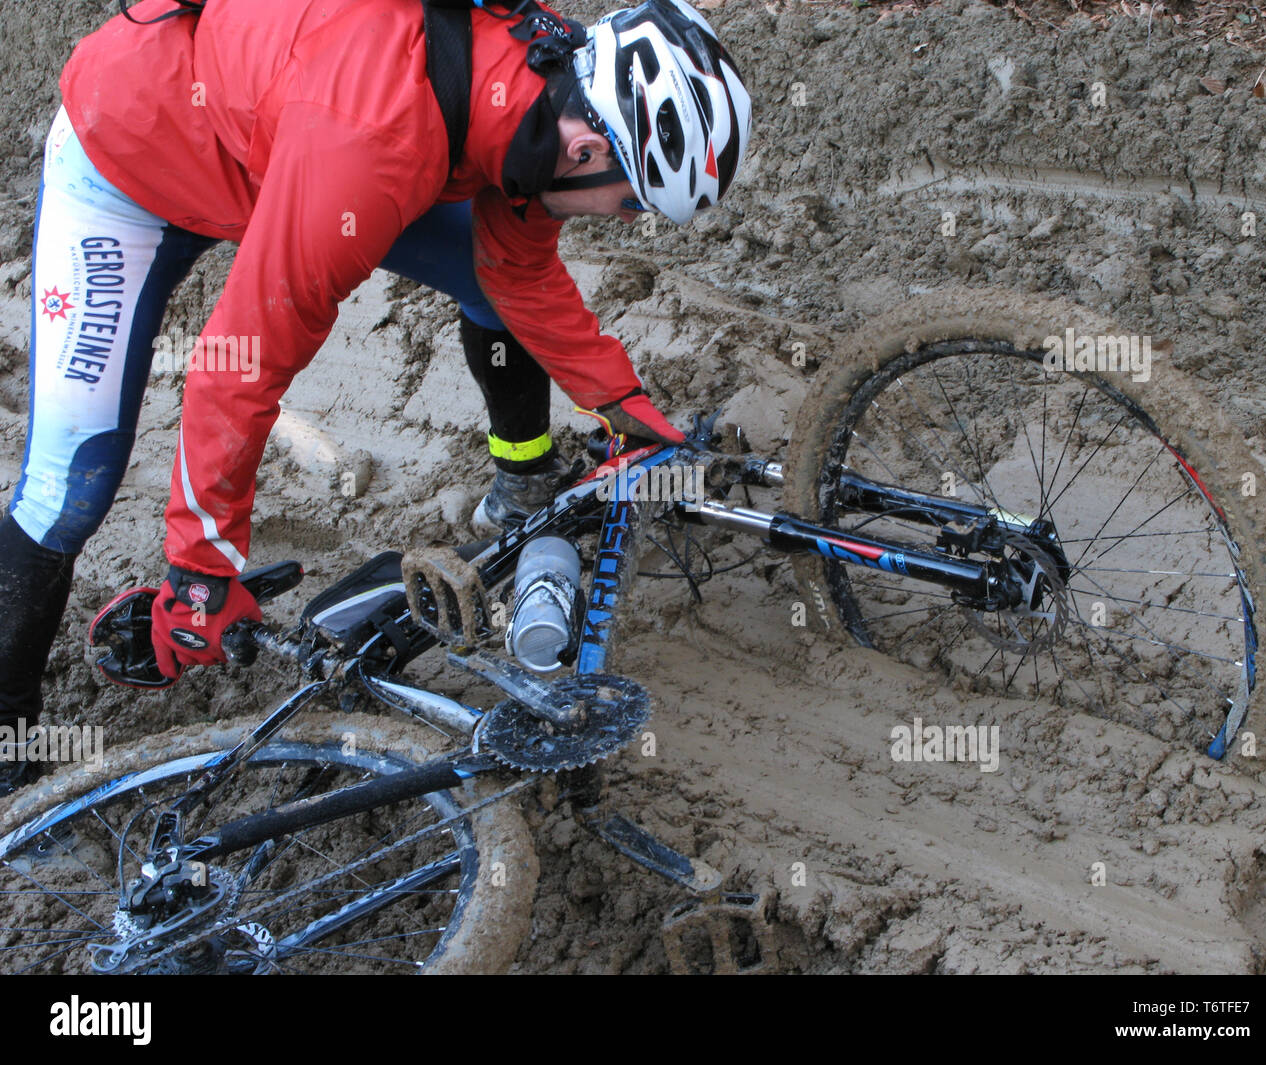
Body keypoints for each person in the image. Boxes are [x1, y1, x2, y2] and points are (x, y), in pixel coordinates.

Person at [0, 0, 751, 793]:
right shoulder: (370, 151)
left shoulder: (538, 88)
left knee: (486, 285)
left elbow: (517, 272)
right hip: (134, 153)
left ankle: (522, 479)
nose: (626, 218)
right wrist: (199, 573)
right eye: (633, 201)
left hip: (287, 137)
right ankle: (9, 758)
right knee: (68, 486)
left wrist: (627, 409)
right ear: (587, 147)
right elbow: (235, 364)